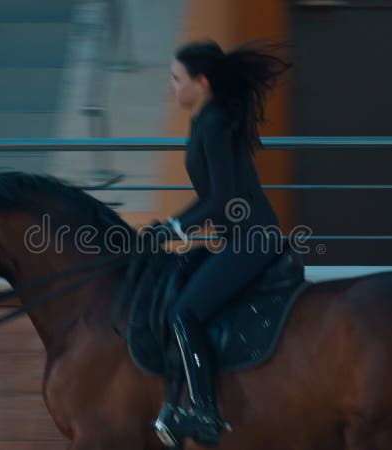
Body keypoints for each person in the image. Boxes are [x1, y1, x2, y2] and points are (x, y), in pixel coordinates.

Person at [148, 39, 292, 448]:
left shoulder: (213, 125)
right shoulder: (204, 118)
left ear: (202, 81)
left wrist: (175, 229)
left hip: (253, 238)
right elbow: (215, 198)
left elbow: (223, 200)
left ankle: (205, 413)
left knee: (183, 311)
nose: (171, 87)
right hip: (238, 236)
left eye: (177, 79)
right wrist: (173, 227)